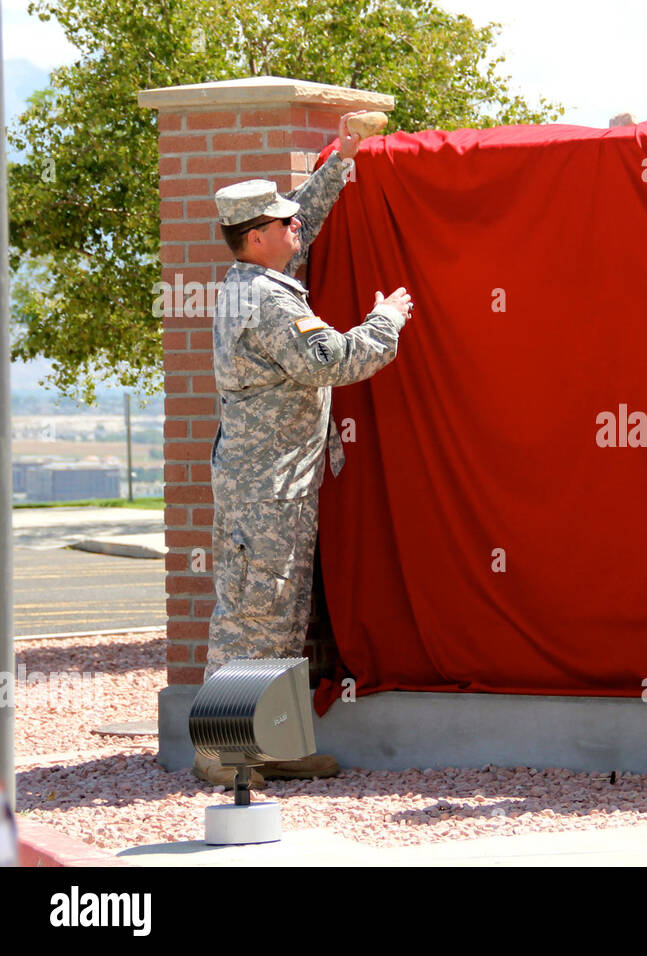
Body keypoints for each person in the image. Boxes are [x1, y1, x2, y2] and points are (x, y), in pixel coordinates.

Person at [195, 112, 415, 788]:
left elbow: (304, 226)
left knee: (282, 618)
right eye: (284, 225)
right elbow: (335, 358)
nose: (298, 231)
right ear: (256, 236)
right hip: (265, 489)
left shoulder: (254, 281)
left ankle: (275, 745)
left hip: (275, 484)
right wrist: (388, 318)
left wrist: (338, 165)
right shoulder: (268, 300)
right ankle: (224, 753)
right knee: (252, 619)